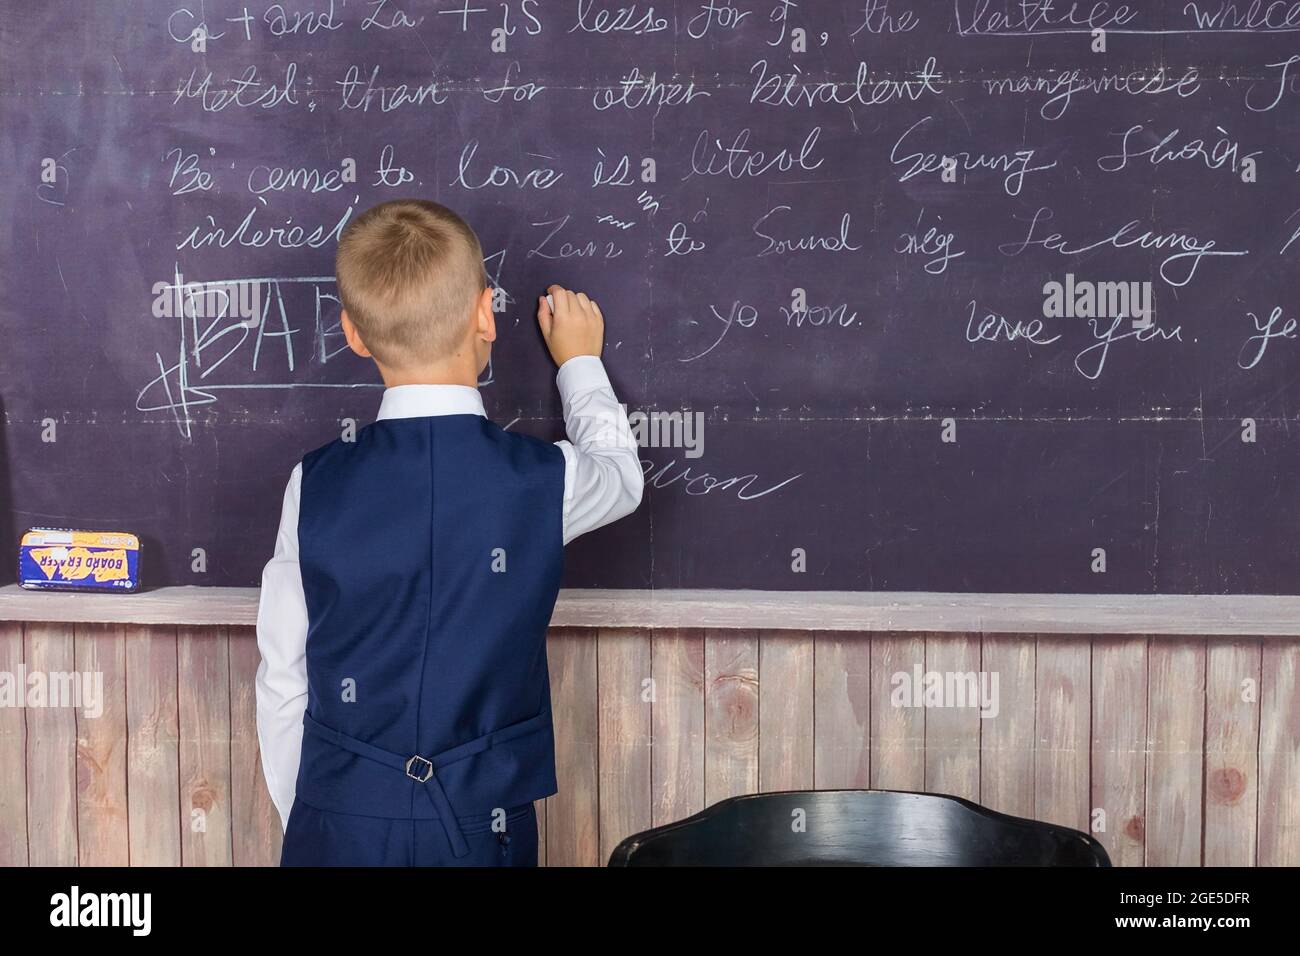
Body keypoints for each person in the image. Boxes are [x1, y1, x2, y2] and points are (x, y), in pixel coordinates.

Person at [254, 199, 643, 865]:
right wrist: (578, 363)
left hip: (337, 819)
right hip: (480, 827)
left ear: (353, 332)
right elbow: (621, 476)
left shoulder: (311, 483)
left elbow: (283, 673)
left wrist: (318, 812)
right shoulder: (546, 480)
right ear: (486, 313)